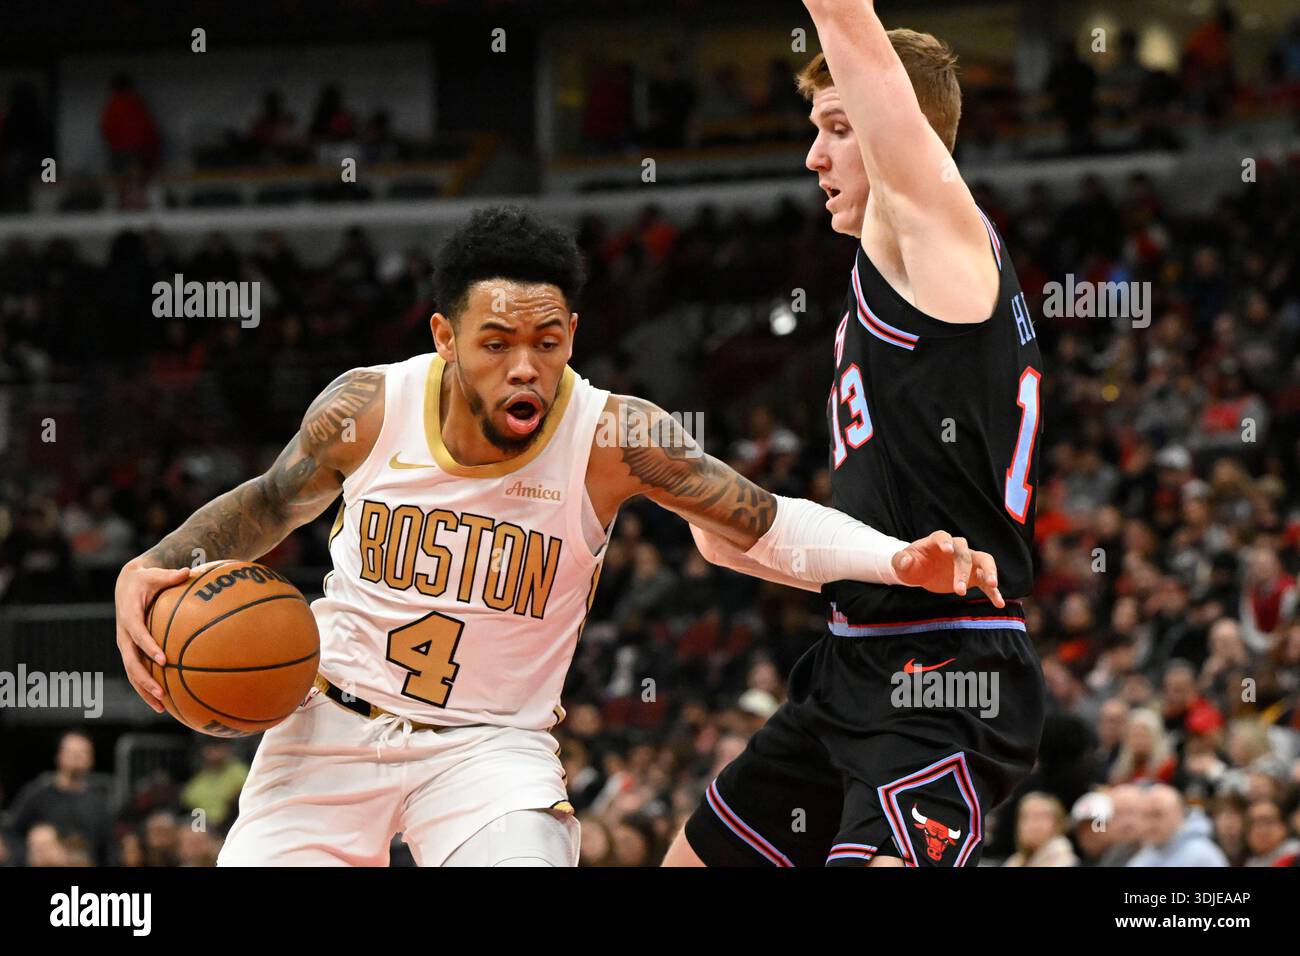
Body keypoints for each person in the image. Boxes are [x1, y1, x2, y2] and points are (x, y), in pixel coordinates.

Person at [113, 205, 1001, 867]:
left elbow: (761, 522)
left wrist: (896, 559)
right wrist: (150, 569)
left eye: (547, 340)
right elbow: (270, 504)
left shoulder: (616, 436)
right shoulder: (368, 407)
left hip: (490, 748)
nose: (525, 365)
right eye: (495, 343)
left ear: (573, 333)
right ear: (444, 336)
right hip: (329, 722)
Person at [667, 0, 1045, 867]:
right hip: (850, 660)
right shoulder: (888, 284)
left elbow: (846, 20)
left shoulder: (938, 236)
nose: (814, 154)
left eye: (839, 126)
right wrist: (733, 533)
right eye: (815, 127)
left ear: (893, 130)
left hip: (947, 666)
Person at [1, 731, 113, 865]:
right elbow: (11, 834)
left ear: (91, 759)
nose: (76, 757)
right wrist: (34, 852)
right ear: (59, 756)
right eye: (71, 752)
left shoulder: (98, 802)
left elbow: (108, 848)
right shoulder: (38, 795)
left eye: (82, 753)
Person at [1126, 784, 1227, 867]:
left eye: (1157, 814)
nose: (1150, 823)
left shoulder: (1202, 856)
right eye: (1145, 815)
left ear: (1178, 814)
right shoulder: (1146, 854)